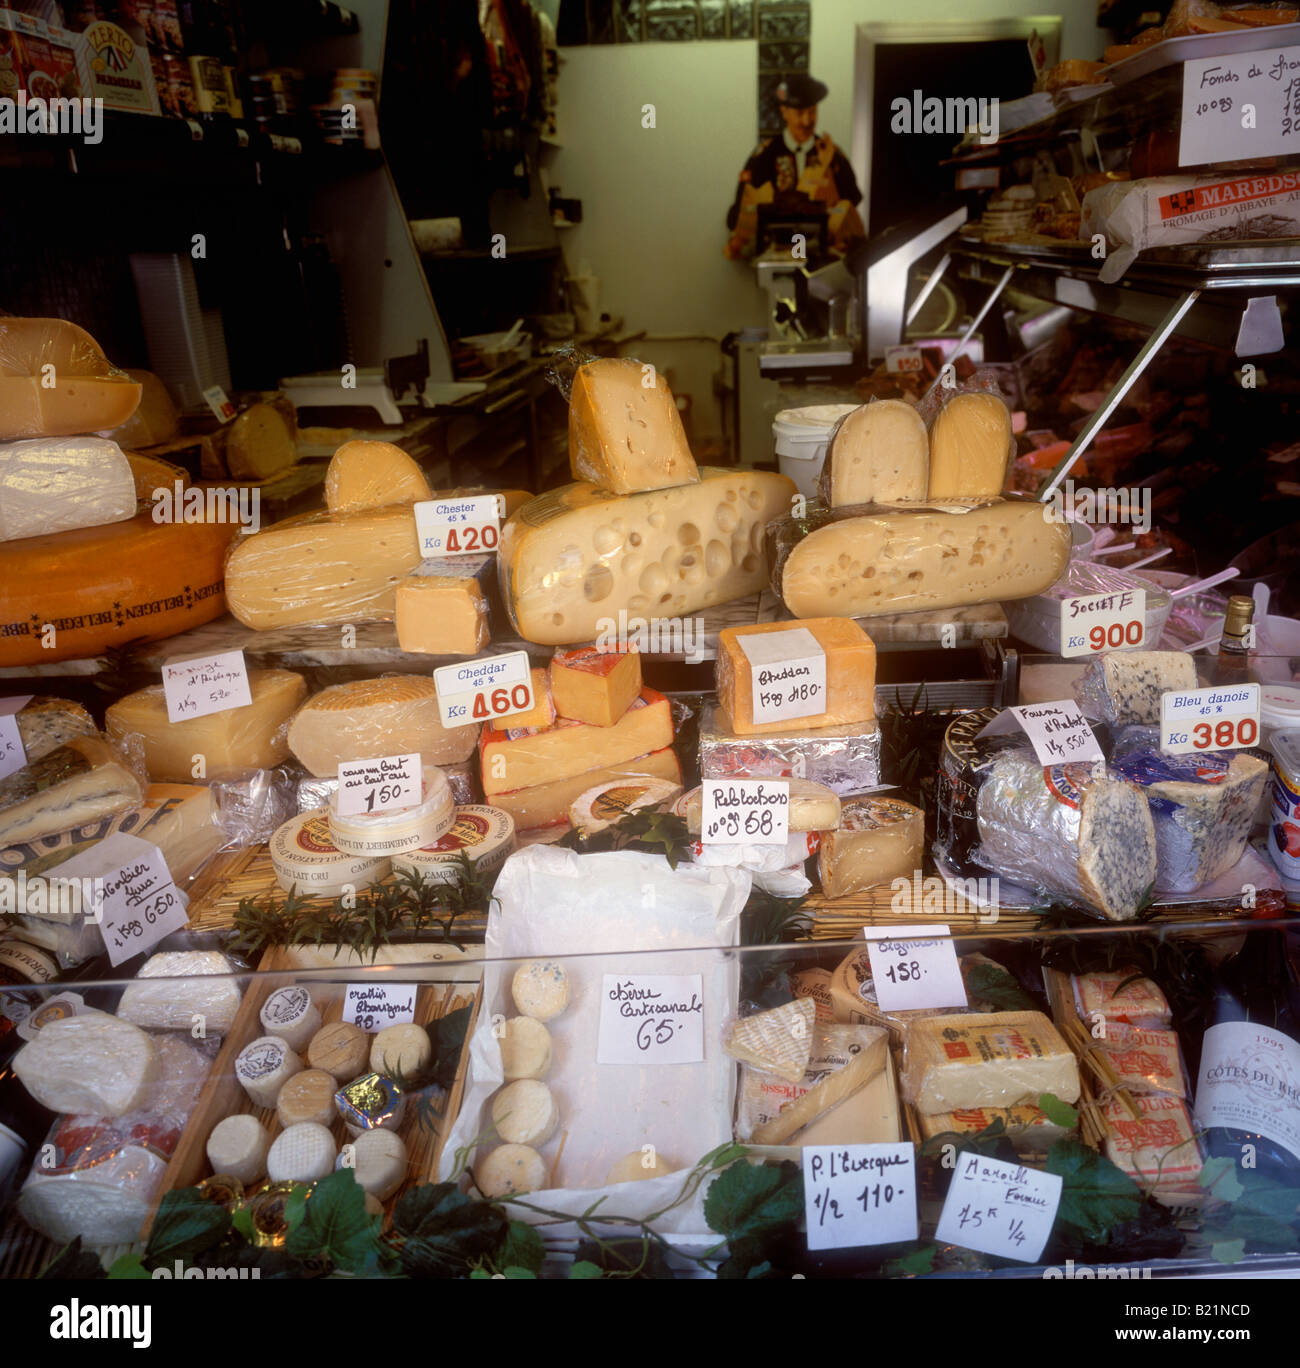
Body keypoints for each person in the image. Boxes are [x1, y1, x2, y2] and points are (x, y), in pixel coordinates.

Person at [725, 72, 865, 260]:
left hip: (821, 259)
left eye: (812, 112)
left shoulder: (833, 155)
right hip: (776, 257)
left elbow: (850, 203)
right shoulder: (764, 155)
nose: (807, 121)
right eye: (800, 113)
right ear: (784, 112)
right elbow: (741, 213)